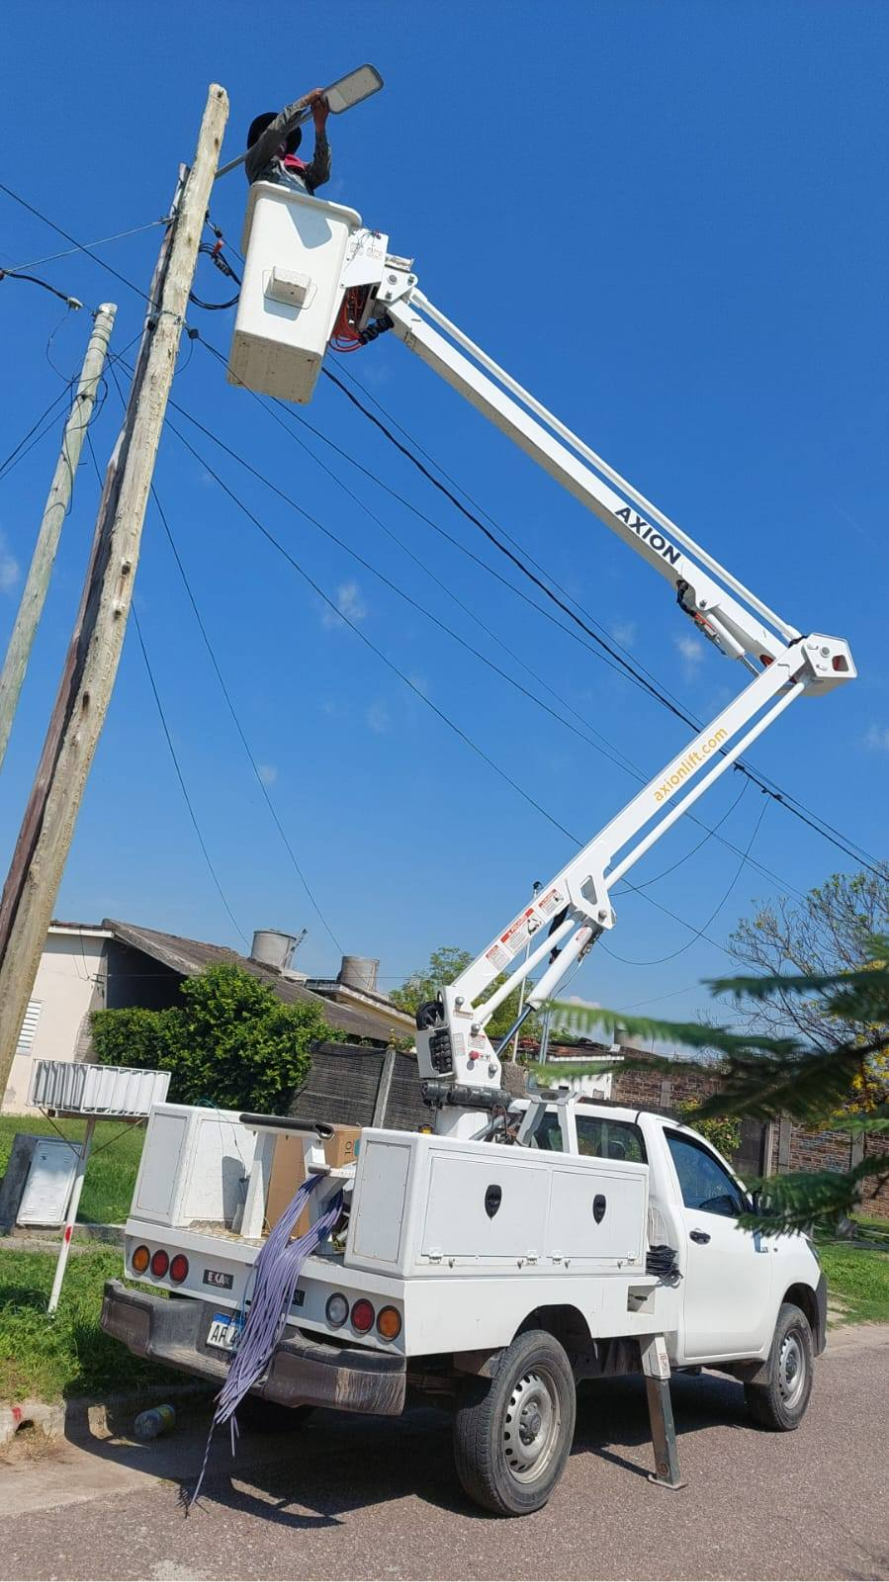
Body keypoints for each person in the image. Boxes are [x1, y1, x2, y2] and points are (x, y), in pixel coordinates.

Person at [245, 89, 331, 195]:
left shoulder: (300, 171)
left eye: (286, 138)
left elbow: (322, 172)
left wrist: (320, 127)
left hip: (300, 209)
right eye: (282, 136)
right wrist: (305, 101)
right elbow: (274, 132)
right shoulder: (255, 162)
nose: (282, 140)